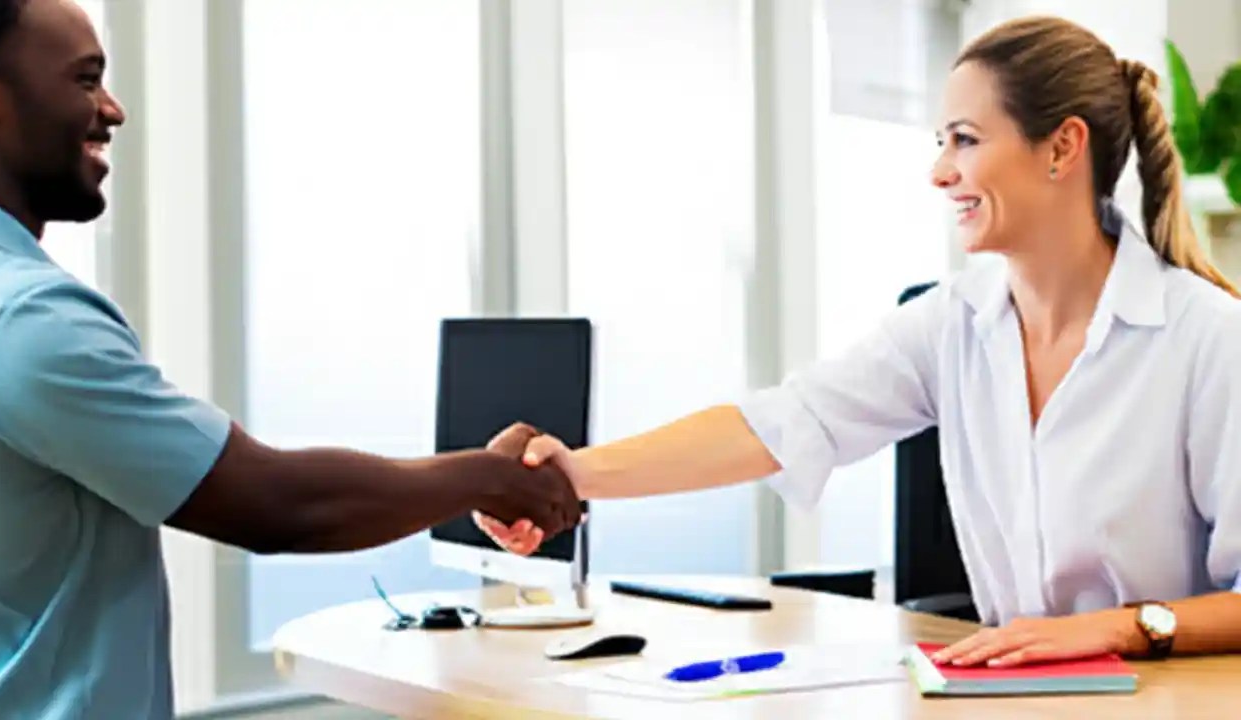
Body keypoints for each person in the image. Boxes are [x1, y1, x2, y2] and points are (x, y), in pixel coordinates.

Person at [480, 15, 1241, 666]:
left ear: (1061, 148)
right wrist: (572, 475)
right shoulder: (954, 323)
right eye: (942, 141)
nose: (941, 172)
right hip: (1024, 699)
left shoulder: (1206, 340)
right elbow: (783, 424)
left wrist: (1115, 628)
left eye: (966, 140)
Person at [0, 0, 580, 717]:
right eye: (85, 80)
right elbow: (281, 505)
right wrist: (487, 478)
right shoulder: (25, 321)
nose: (113, 110)